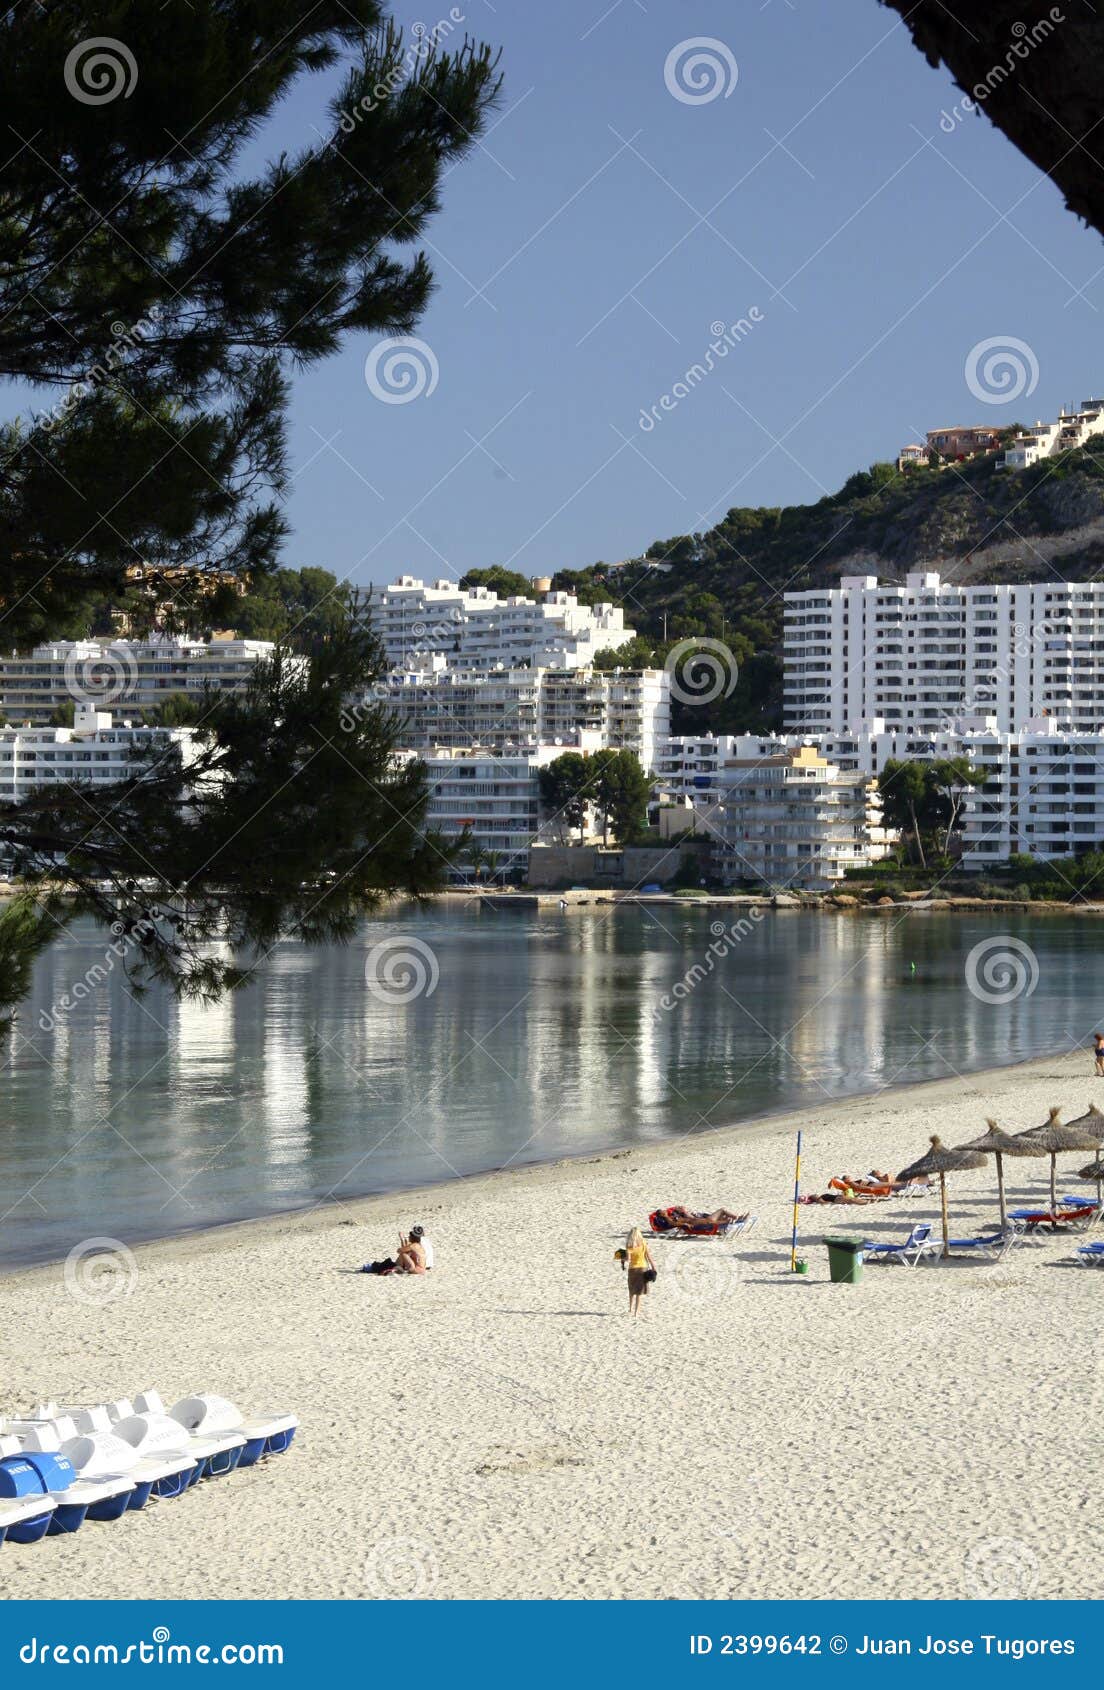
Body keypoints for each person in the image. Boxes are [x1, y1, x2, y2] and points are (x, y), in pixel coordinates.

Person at [624, 1226, 655, 1318]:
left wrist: (622, 1257)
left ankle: (630, 1308)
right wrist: (653, 1267)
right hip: (642, 1268)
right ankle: (636, 1312)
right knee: (639, 1292)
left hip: (632, 1269)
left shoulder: (629, 1246)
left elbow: (628, 1259)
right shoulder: (643, 1243)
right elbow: (648, 1256)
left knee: (631, 1289)